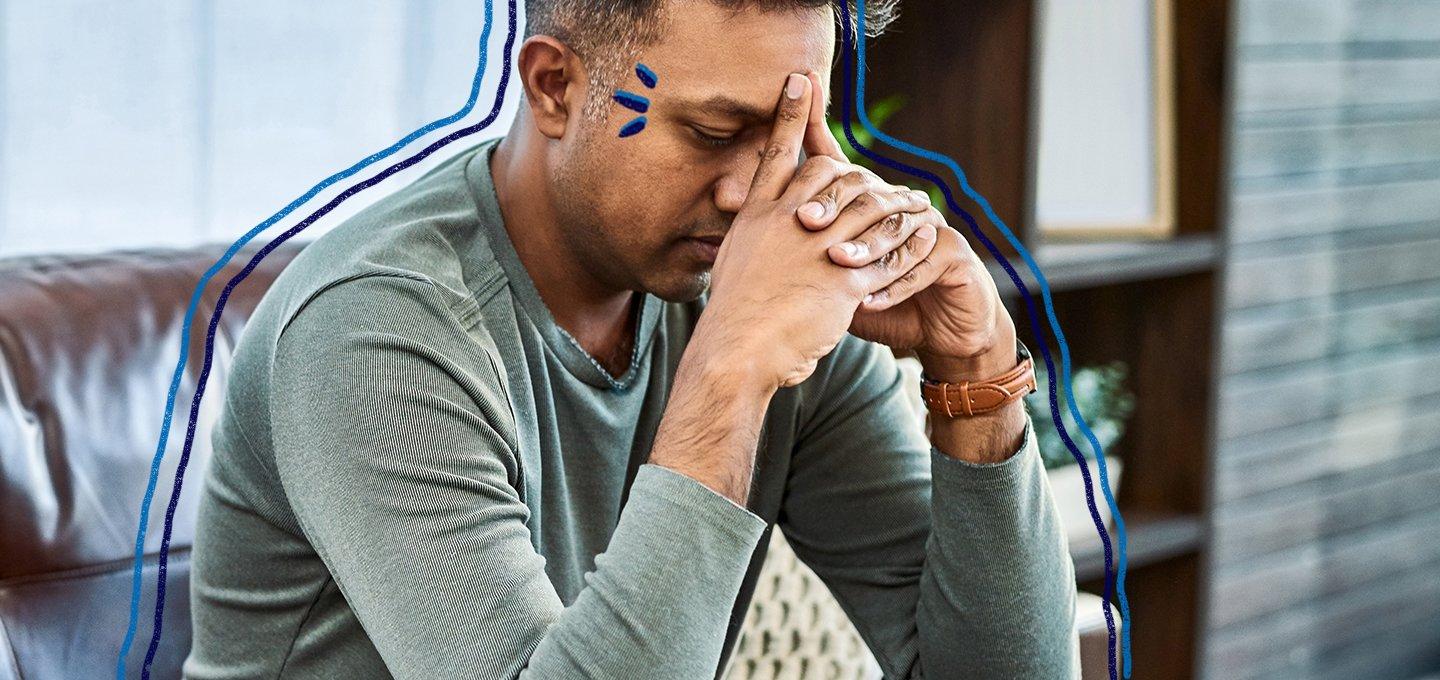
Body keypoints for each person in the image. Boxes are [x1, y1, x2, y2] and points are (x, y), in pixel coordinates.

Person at [184, 1, 1078, 678]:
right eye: (715, 132)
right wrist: (728, 373)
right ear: (554, 86)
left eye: (791, 135)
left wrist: (976, 376)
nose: (752, 193)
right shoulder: (373, 326)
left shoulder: (760, 283)